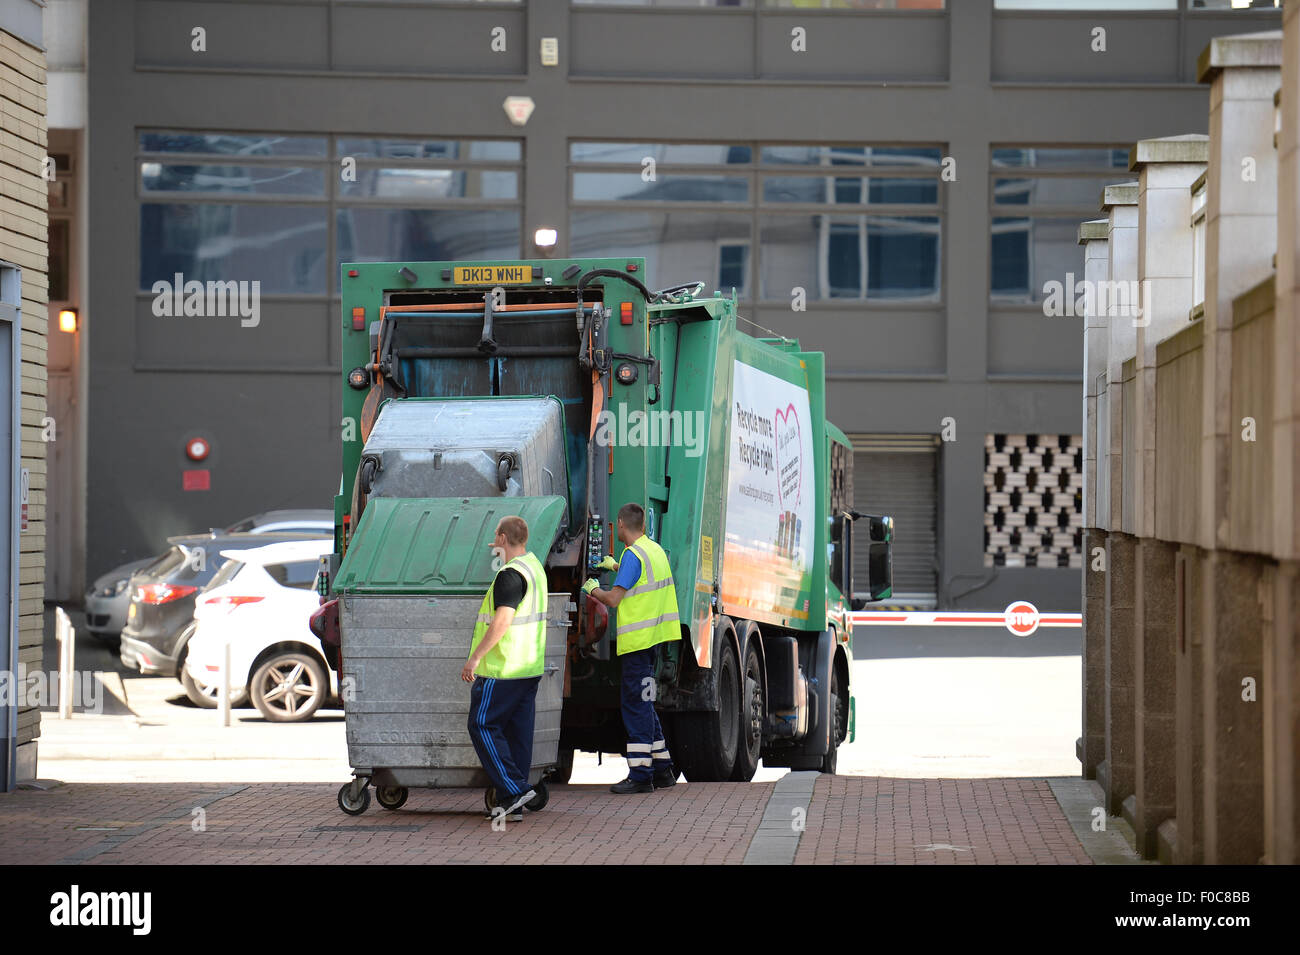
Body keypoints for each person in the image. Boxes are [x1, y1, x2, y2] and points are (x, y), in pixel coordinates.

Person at [583, 503, 681, 794]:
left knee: (636, 705)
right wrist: (614, 565)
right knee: (646, 702)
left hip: (637, 646)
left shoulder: (633, 555)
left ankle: (640, 776)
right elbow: (640, 579)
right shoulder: (653, 550)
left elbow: (613, 599)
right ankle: (663, 769)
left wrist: (592, 589)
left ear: (622, 525)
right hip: (654, 641)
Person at [462, 515, 547, 822]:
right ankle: (516, 804)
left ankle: (513, 790)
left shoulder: (510, 575)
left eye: (496, 537)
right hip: (528, 666)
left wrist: (475, 658)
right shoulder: (535, 567)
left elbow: (502, 622)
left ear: (501, 538)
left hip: (504, 668)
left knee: (482, 724)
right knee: (517, 733)